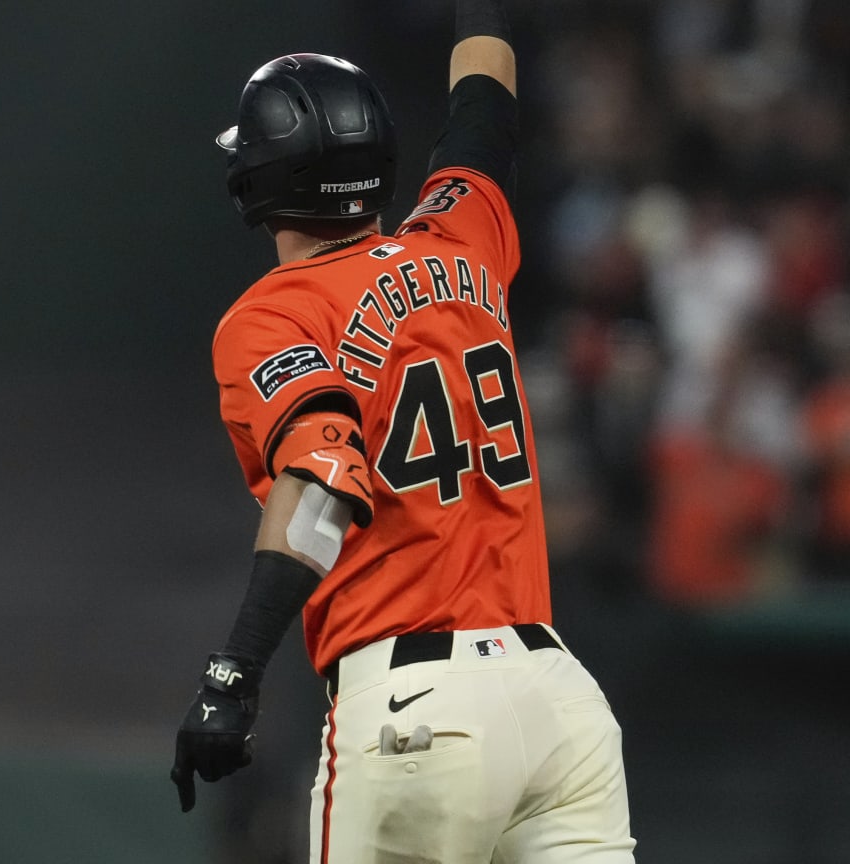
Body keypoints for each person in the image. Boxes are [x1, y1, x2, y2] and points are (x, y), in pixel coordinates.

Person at [169, 2, 639, 862]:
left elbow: (320, 487)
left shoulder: (274, 317)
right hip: (558, 699)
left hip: (418, 710)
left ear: (256, 182)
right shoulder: (464, 242)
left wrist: (233, 672)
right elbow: (484, 109)